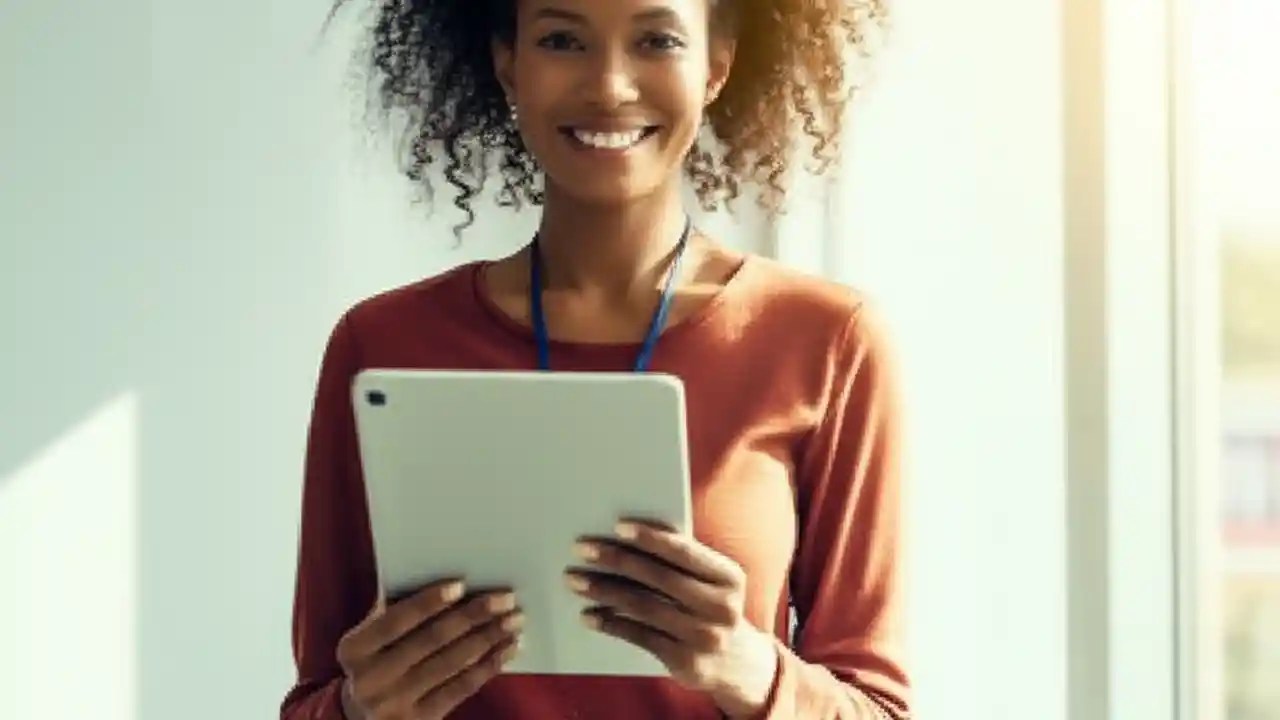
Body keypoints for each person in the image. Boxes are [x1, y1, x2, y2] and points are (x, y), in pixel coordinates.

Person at [282, 0, 910, 717]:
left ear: (717, 64)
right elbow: (311, 700)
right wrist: (360, 707)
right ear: (507, 62)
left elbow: (878, 707)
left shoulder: (828, 341)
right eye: (561, 39)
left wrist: (744, 664)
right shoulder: (382, 344)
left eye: (657, 40)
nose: (610, 85)